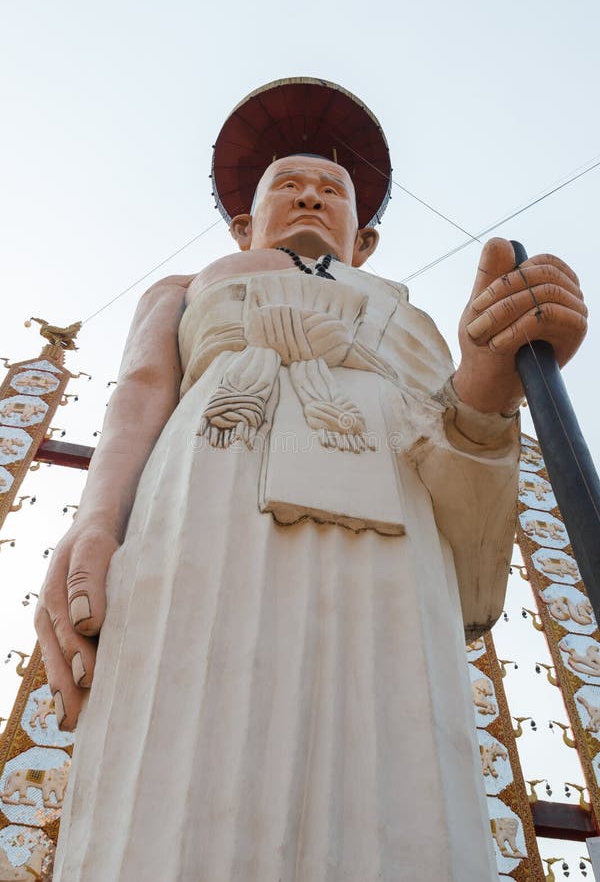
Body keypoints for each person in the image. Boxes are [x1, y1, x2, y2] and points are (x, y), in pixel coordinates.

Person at [36, 154, 587, 880]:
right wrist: (97, 521)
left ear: (365, 243)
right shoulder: (186, 288)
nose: (309, 196)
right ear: (243, 226)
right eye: (287, 187)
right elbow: (139, 394)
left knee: (401, 753)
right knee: (177, 741)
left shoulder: (405, 316)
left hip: (391, 508)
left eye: (333, 191)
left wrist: (486, 383)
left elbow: (451, 443)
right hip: (211, 482)